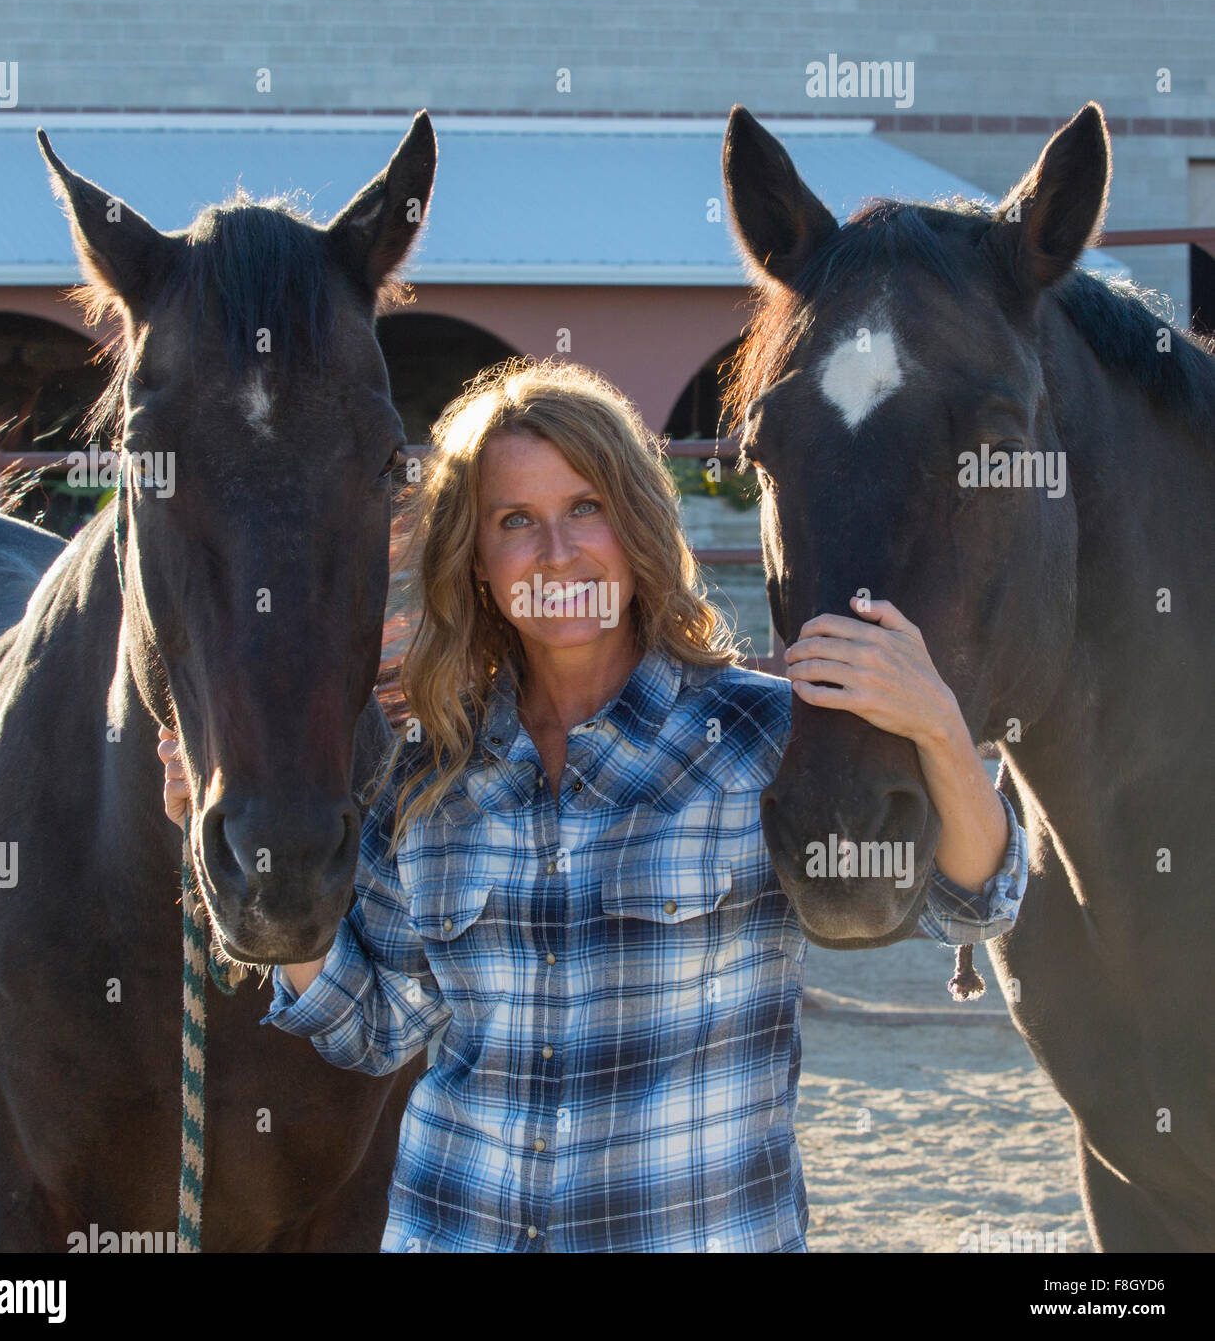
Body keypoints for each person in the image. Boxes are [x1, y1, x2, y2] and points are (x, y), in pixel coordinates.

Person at [158, 357, 1027, 1253]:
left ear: (637, 526)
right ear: (479, 562)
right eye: (516, 522)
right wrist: (216, 846)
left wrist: (941, 733)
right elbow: (371, 1025)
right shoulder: (429, 781)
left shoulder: (762, 742)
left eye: (586, 508)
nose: (558, 552)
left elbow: (972, 903)